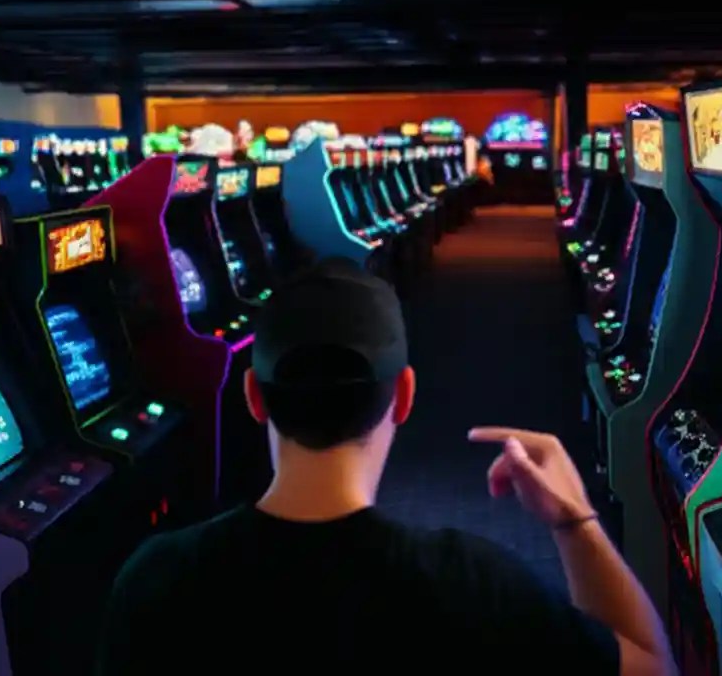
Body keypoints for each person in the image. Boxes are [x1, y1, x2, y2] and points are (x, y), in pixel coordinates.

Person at [97, 258, 674, 676]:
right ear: (404, 395)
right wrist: (575, 523)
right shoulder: (470, 582)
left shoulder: (154, 578)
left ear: (252, 396)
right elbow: (654, 668)